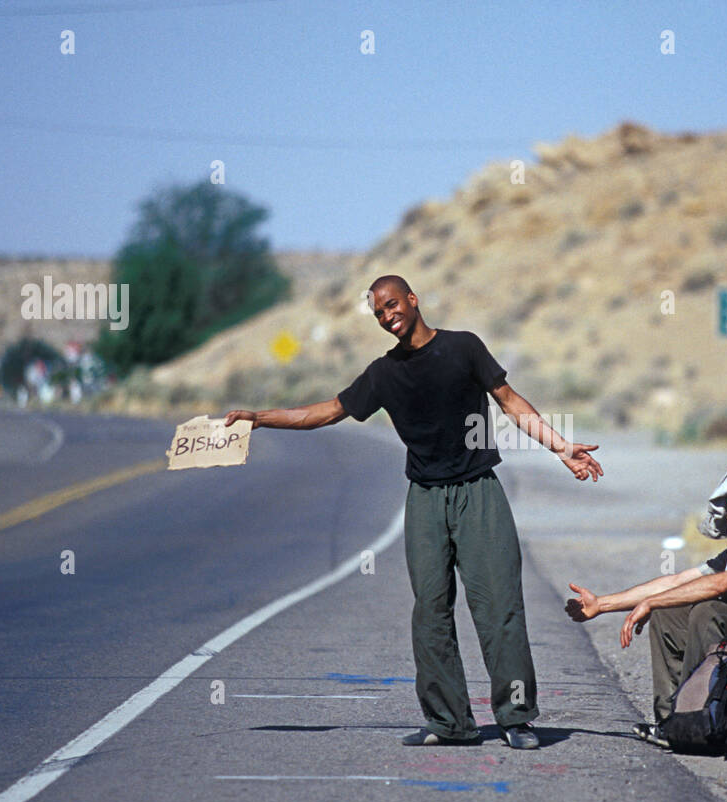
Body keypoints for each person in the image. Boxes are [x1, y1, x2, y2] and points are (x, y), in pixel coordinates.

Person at [224, 275, 603, 749]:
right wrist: (260, 418)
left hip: (477, 491)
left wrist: (561, 447)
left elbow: (509, 402)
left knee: (499, 607)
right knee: (430, 613)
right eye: (379, 312)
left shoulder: (464, 347)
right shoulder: (384, 374)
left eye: (391, 304)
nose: (387, 315)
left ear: (412, 300)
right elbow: (325, 411)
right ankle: (449, 723)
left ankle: (516, 718)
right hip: (424, 497)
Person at [564, 451, 727, 748]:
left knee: (709, 611)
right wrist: (602, 604)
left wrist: (651, 603)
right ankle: (672, 722)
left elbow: (720, 584)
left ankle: (697, 719)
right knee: (669, 612)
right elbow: (678, 581)